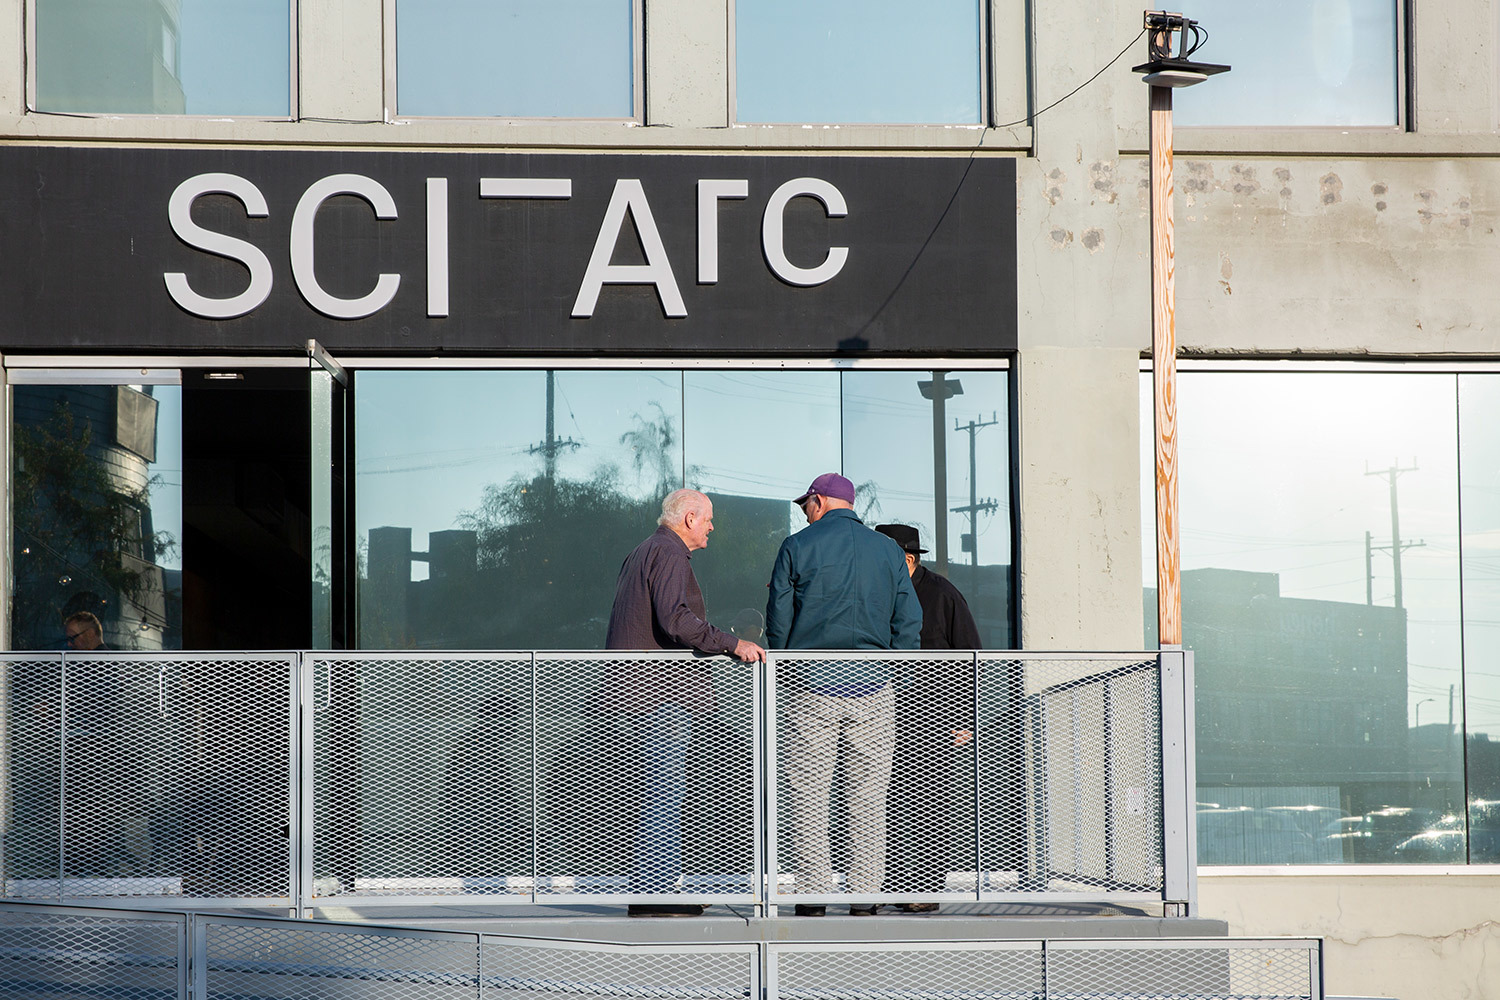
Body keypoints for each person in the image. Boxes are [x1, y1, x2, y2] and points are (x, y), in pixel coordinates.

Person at [605, 488, 766, 918]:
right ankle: (657, 895)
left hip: (636, 695)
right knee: (662, 796)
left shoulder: (644, 551)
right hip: (659, 697)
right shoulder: (670, 553)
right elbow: (675, 620)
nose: (712, 527)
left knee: (652, 797)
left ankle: (650, 892)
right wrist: (732, 643)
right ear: (690, 518)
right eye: (708, 519)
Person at [765, 473, 921, 916]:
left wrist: (785, 667)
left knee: (808, 792)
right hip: (875, 688)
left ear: (818, 501)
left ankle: (813, 895)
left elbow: (778, 618)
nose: (804, 514)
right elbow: (908, 619)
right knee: (868, 795)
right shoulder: (888, 551)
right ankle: (865, 896)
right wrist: (894, 670)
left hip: (810, 686)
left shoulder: (797, 546)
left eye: (805, 506)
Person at [875, 523, 981, 913]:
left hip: (935, 720)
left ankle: (924, 889)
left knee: (929, 805)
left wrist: (965, 719)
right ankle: (888, 885)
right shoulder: (878, 593)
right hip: (883, 715)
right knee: (885, 802)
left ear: (907, 559)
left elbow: (971, 656)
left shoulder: (943, 594)